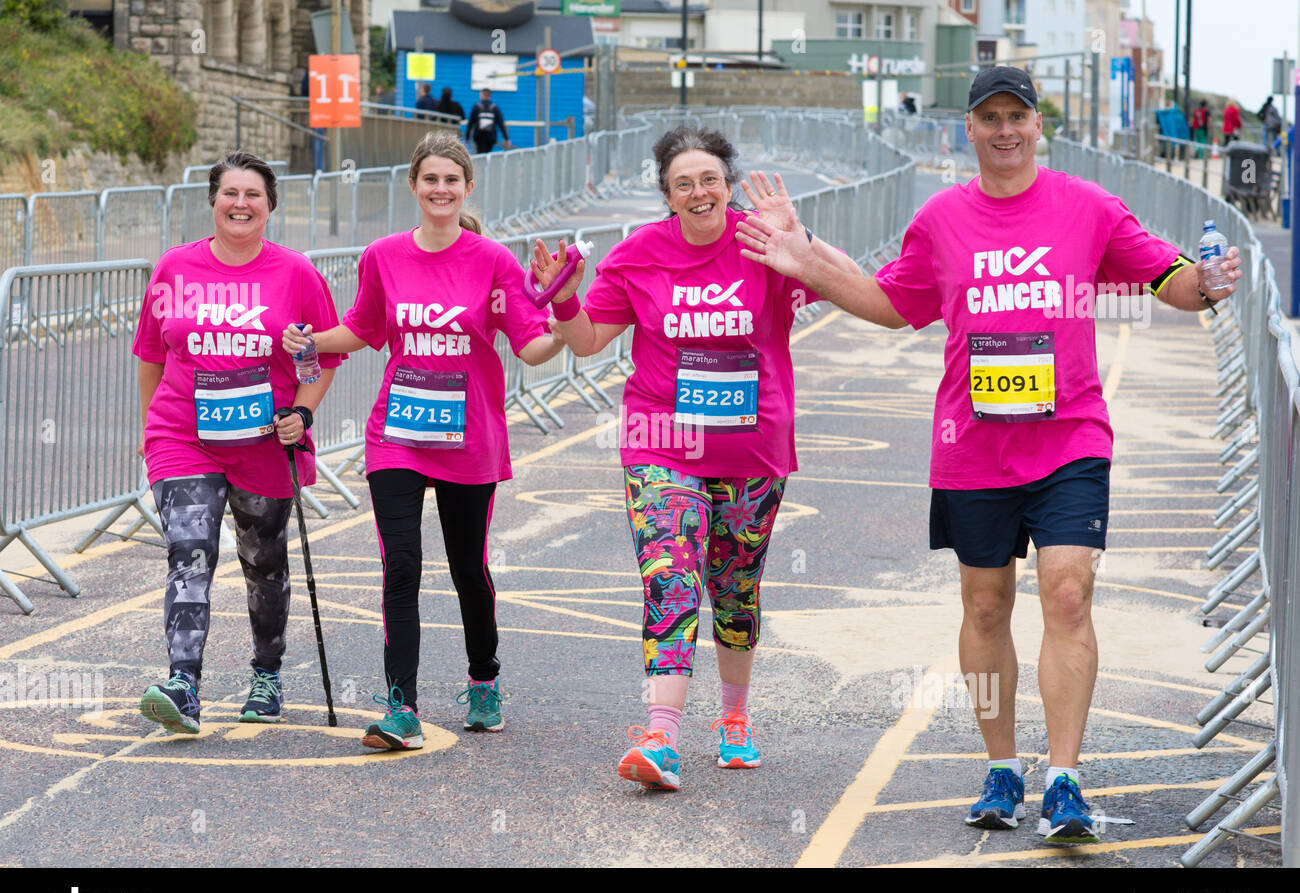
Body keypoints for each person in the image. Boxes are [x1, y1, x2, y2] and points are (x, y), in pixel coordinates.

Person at [736, 66, 1242, 843]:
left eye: (1018, 117)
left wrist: (1205, 284)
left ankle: (1065, 778)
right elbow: (896, 305)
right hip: (971, 446)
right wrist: (810, 263)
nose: (1005, 130)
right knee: (984, 604)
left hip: (1070, 434)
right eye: (990, 118)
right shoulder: (942, 218)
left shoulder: (1086, 206)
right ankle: (1002, 765)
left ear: (1039, 127)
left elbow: (1164, 276)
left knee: (1069, 592)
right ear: (968, 130)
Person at [532, 127, 862, 791]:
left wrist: (803, 244)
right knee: (671, 575)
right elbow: (589, 340)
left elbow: (860, 285)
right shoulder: (638, 255)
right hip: (662, 444)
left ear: (728, 184)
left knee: (735, 590)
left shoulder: (761, 243)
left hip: (752, 448)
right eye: (683, 182)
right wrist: (563, 297)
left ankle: (735, 719)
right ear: (667, 195)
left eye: (709, 178)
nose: (699, 191)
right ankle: (662, 737)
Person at [281, 132, 563, 747]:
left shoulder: (493, 260)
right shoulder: (383, 255)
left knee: (468, 568)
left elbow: (533, 346)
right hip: (398, 435)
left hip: (470, 438)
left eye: (451, 181)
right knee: (400, 565)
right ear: (413, 186)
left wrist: (568, 319)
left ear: (467, 189)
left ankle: (484, 681)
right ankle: (401, 706)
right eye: (430, 179)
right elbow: (363, 326)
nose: (440, 190)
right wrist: (306, 338)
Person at [134, 151, 342, 734]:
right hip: (183, 435)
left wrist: (302, 411)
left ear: (270, 206)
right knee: (189, 551)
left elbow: (323, 357)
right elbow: (152, 353)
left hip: (264, 440)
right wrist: (149, 428)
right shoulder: (175, 268)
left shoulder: (296, 274)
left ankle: (267, 673)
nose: (241, 204)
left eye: (253, 194)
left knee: (263, 560)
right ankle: (183, 685)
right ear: (213, 200)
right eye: (231, 193)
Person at [467, 89, 511, 154]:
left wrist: (467, 137)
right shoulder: (495, 108)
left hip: (479, 136)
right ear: (489, 96)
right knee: (488, 154)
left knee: (480, 154)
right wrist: (506, 139)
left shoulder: (476, 107)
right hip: (491, 137)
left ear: (482, 95)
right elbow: (501, 124)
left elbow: (470, 123)